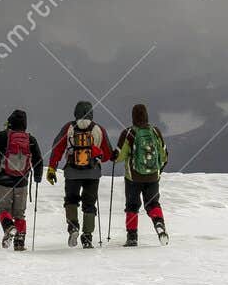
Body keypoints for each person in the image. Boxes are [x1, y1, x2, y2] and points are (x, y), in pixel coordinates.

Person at [45, 100, 114, 249]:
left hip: (72, 172)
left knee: (71, 200)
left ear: (75, 112)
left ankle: (73, 227)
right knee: (89, 204)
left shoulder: (68, 128)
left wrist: (52, 168)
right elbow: (108, 154)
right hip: (93, 172)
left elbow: (57, 148)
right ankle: (87, 237)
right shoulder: (98, 129)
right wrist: (98, 154)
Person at [0, 108, 43, 251]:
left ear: (9, 122)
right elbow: (38, 160)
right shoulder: (30, 140)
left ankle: (9, 227)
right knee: (19, 213)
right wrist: (38, 176)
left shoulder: (0, 137)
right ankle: (20, 242)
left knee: (3, 209)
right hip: (22, 181)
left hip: (3, 180)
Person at [114, 103, 169, 247]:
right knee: (153, 203)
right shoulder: (155, 131)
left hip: (133, 177)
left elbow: (118, 157)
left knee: (132, 206)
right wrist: (158, 170)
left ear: (133, 117)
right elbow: (164, 155)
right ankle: (159, 224)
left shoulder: (129, 133)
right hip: (153, 176)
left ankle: (132, 237)